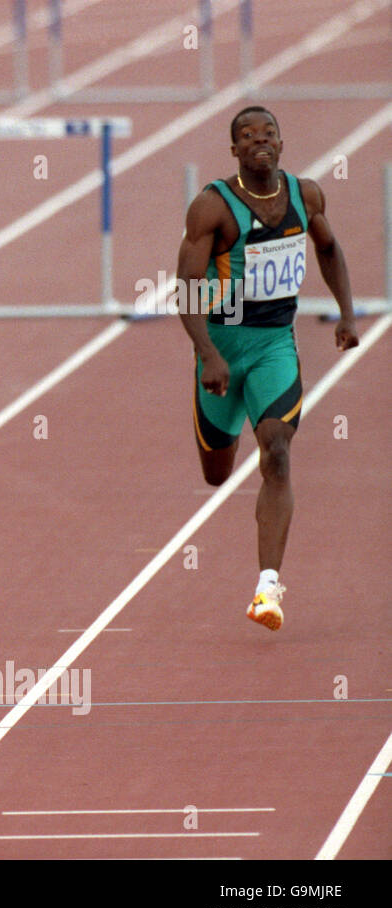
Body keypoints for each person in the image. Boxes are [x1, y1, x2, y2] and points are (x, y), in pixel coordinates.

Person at [177, 105, 359, 631]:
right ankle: (221, 422)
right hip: (221, 351)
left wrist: (346, 312)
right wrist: (207, 352)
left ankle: (267, 587)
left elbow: (329, 247)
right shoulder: (212, 208)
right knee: (216, 473)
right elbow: (186, 286)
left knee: (277, 452)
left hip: (276, 346)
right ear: (234, 150)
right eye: (248, 136)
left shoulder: (307, 196)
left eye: (269, 133)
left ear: (282, 143)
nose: (261, 141)